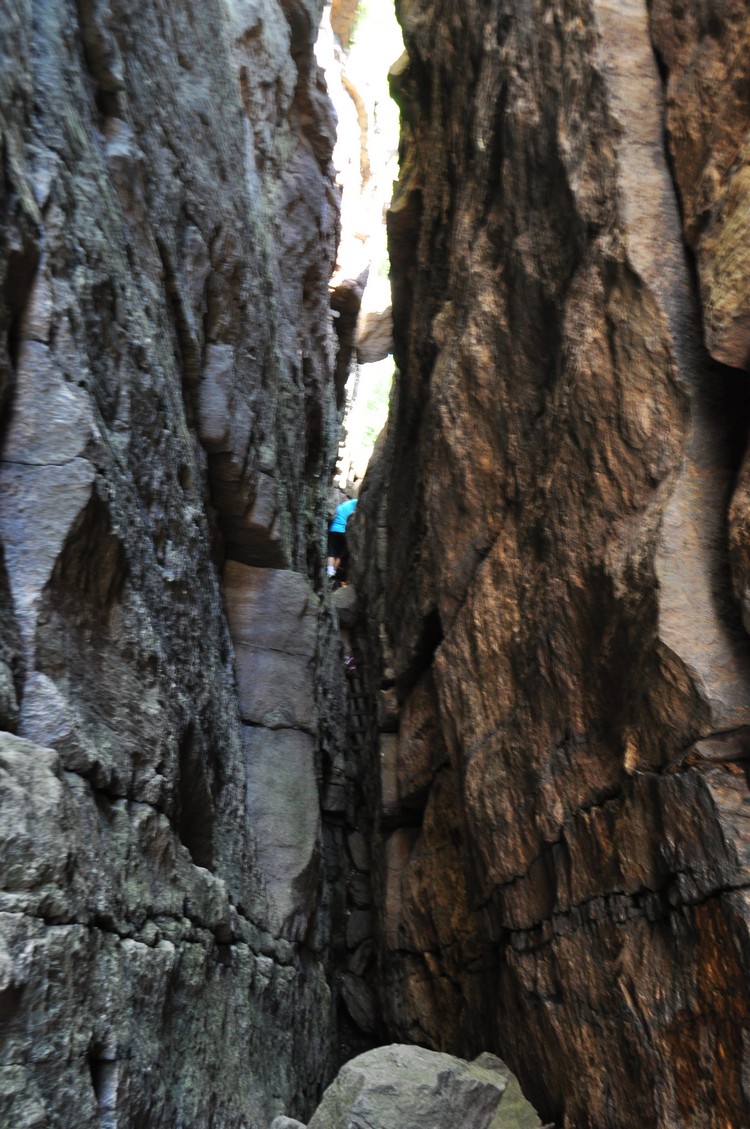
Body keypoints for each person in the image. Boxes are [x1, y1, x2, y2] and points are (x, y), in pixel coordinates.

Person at [327, 497, 357, 581]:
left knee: (331, 553)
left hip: (333, 530)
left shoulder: (339, 507)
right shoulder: (354, 502)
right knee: (340, 555)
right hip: (344, 532)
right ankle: (332, 575)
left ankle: (329, 574)